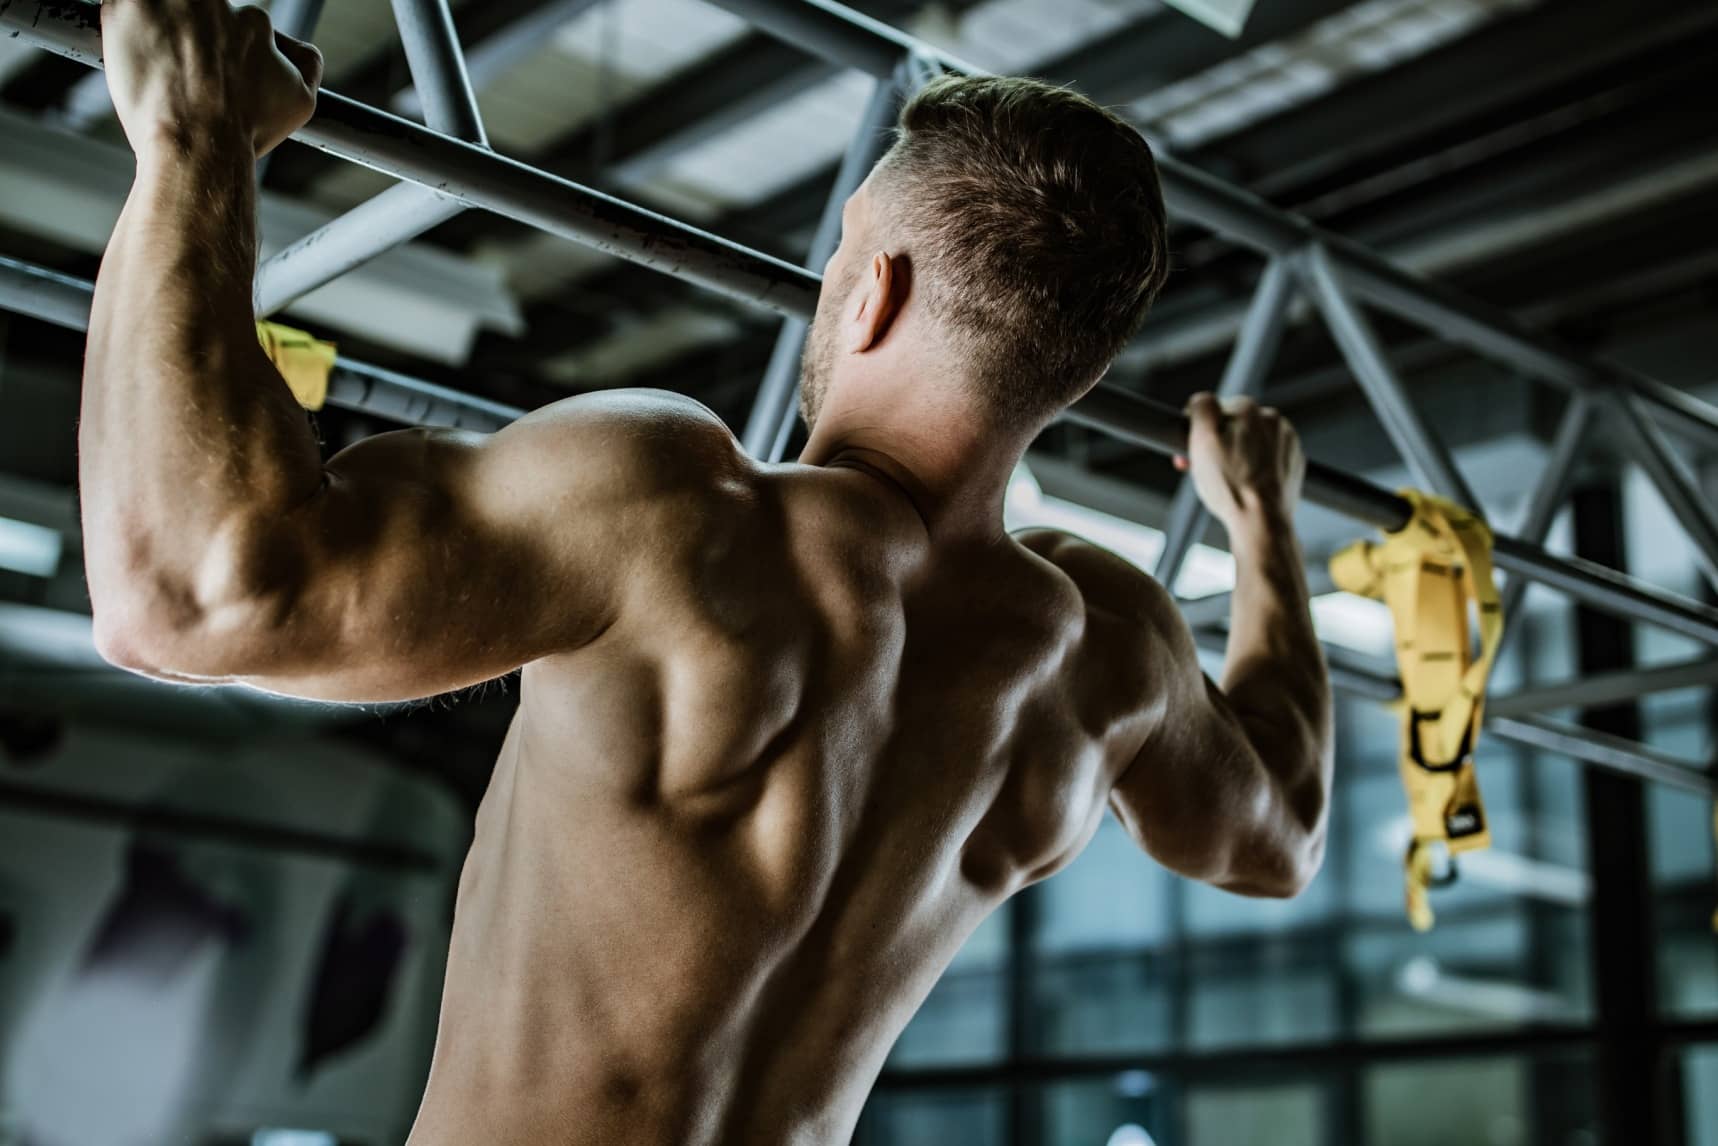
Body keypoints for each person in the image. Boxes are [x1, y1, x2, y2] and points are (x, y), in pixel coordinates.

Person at [84, 2, 1333, 1142]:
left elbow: (187, 594)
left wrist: (194, 138)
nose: (834, 277)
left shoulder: (680, 509)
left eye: (842, 253)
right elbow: (1276, 834)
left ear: (872, 294)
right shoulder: (1100, 654)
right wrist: (1260, 528)